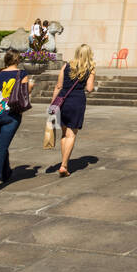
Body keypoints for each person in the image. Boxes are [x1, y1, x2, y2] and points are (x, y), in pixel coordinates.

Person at [0, 50, 34, 193]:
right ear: (18, 60)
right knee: (1, 148)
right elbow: (24, 94)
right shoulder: (21, 74)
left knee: (1, 145)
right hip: (11, 114)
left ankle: (6, 173)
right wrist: (31, 87)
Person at [53, 44, 97, 177]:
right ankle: (64, 165)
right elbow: (89, 89)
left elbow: (58, 86)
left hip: (62, 100)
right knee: (71, 135)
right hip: (76, 101)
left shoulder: (66, 66)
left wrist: (53, 104)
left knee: (64, 134)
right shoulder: (90, 69)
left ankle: (63, 162)